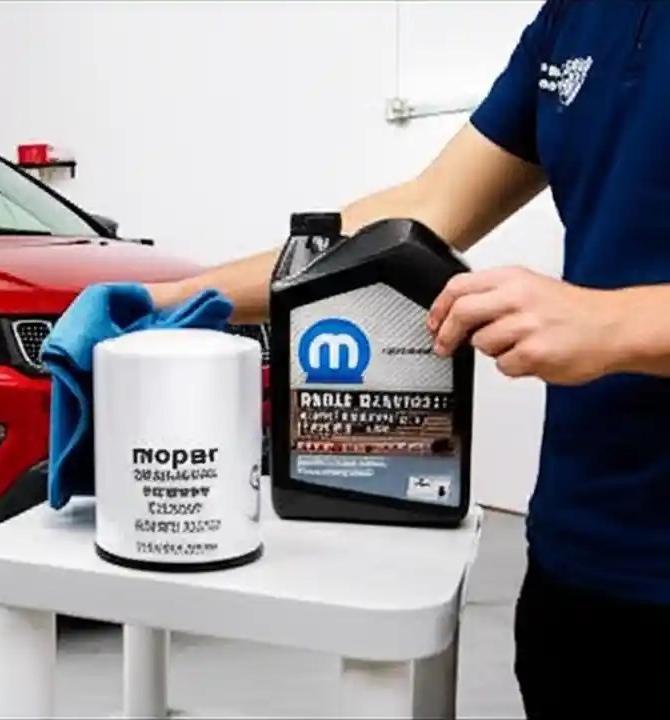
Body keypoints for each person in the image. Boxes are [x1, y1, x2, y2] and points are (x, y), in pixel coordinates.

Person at [143, 1, 670, 716]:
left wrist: (618, 323)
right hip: (577, 562)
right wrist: (169, 299)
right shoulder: (573, 18)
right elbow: (422, 210)